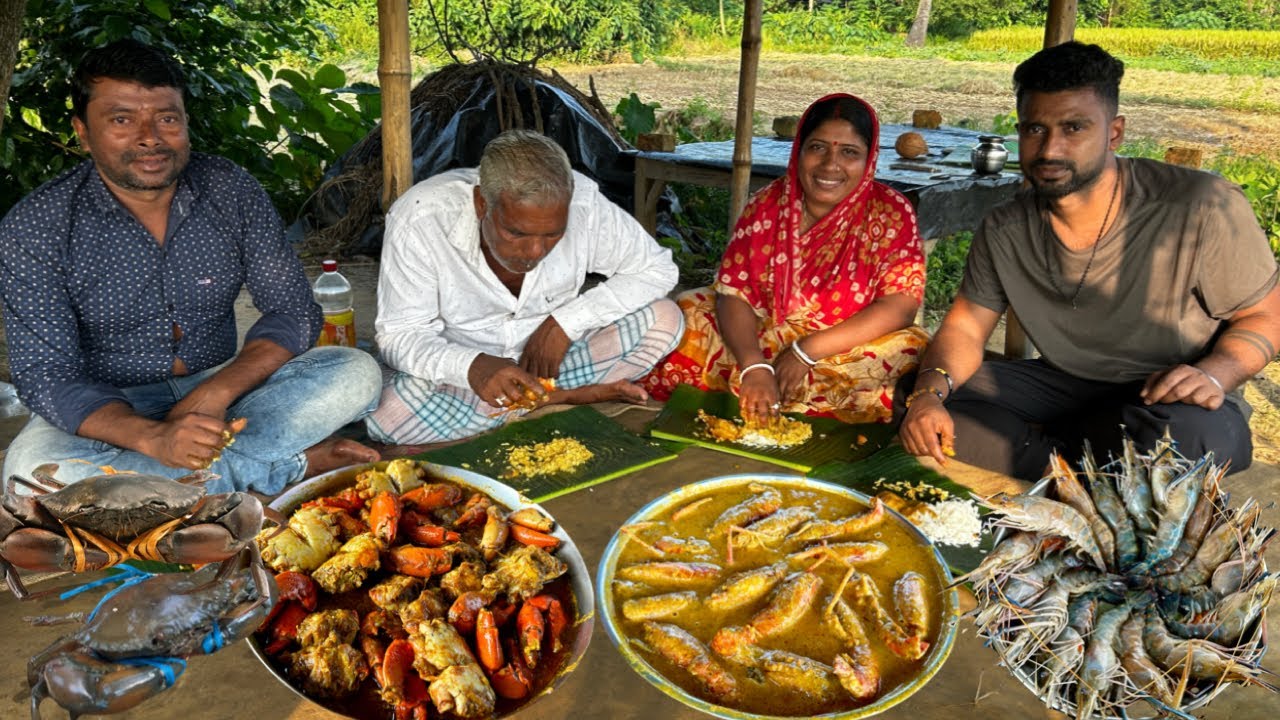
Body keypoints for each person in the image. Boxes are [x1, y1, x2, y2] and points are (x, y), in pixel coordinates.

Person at [0, 39, 382, 494]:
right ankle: (284, 468)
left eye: (166, 118)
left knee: (355, 371)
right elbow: (46, 373)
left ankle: (161, 489)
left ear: (185, 123)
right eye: (122, 120)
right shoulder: (37, 225)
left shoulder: (230, 190)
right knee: (31, 478)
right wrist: (152, 436)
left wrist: (213, 394)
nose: (150, 137)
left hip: (225, 386)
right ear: (82, 132)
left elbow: (293, 312)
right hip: (109, 407)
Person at [899, 41, 1280, 480]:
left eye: (1074, 128)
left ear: (1114, 132)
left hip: (1165, 394)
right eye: (1034, 129)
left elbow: (1265, 317)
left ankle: (1068, 460)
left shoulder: (1200, 206)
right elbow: (966, 327)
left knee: (1190, 439)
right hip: (1063, 385)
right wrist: (929, 395)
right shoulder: (1005, 228)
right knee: (918, 397)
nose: (1049, 150)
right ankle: (1092, 470)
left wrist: (1217, 373)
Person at [366, 129, 683, 443]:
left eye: (552, 235)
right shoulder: (421, 217)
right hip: (463, 379)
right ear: (481, 204)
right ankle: (563, 398)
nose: (535, 252)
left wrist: (564, 324)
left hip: (555, 363)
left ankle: (530, 402)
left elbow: (657, 269)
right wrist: (471, 367)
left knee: (665, 320)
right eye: (516, 233)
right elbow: (401, 335)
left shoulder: (585, 207)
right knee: (387, 416)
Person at [642, 93, 928, 424]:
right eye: (818, 147)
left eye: (849, 152)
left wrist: (806, 351)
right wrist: (754, 365)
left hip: (844, 344)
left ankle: (754, 395)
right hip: (766, 334)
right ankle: (759, 387)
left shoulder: (890, 212)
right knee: (689, 309)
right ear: (799, 151)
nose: (830, 164)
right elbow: (734, 293)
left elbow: (900, 305)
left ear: (869, 159)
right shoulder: (767, 205)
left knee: (909, 349)